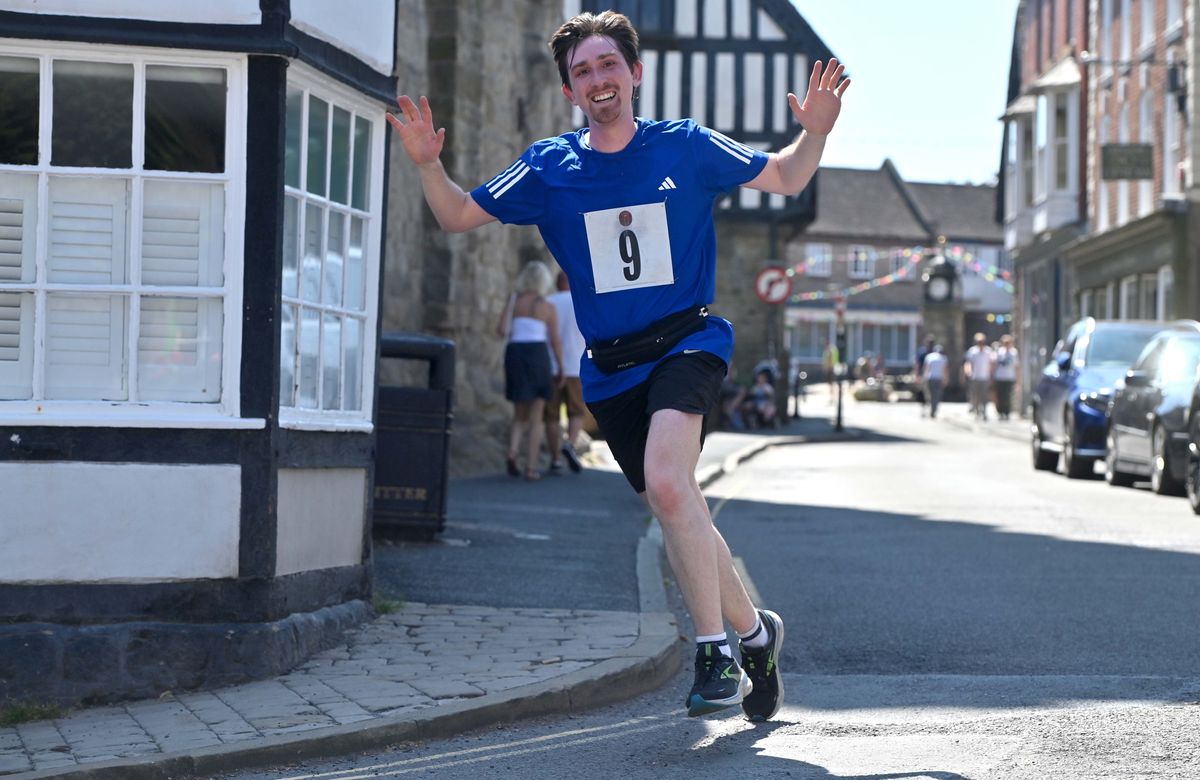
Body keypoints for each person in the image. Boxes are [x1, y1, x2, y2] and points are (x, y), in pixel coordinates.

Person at [388, 9, 848, 719]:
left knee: (670, 483)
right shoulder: (549, 168)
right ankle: (755, 633)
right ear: (571, 91)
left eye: (609, 65)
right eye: (583, 72)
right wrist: (426, 164)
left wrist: (815, 129)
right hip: (612, 369)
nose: (598, 80)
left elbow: (785, 176)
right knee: (677, 504)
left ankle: (712, 654)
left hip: (688, 342)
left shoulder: (685, 147)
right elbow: (456, 216)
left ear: (635, 73)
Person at [497, 261, 563, 481]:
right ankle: (531, 467)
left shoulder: (514, 301)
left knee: (519, 413)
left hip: (515, 353)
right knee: (536, 416)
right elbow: (554, 341)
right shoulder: (546, 306)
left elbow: (501, 330)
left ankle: (513, 450)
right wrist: (561, 367)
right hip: (537, 355)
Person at [544, 270, 587, 473]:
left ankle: (554, 459)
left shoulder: (548, 301)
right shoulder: (581, 301)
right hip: (576, 364)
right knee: (576, 411)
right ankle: (569, 444)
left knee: (551, 414)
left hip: (551, 365)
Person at [963, 332, 994, 421]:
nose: (980, 343)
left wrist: (991, 374)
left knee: (984, 396)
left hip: (985, 377)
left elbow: (991, 364)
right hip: (975, 376)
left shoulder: (988, 351)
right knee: (975, 395)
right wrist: (968, 372)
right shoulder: (972, 351)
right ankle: (977, 411)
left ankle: (984, 412)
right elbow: (968, 363)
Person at [992, 334, 1019, 420]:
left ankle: (1007, 412)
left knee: (1008, 396)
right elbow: (995, 364)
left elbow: (1017, 366)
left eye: (1008, 343)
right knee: (1000, 395)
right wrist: (992, 376)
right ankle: (1000, 412)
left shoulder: (1014, 353)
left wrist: (1018, 379)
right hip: (1000, 377)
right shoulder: (999, 352)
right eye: (1005, 343)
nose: (1007, 344)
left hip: (1010, 377)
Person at [923, 343, 948, 418]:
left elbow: (927, 368)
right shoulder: (943, 358)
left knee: (930, 394)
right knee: (937, 395)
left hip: (930, 378)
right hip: (939, 378)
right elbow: (945, 370)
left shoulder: (929, 357)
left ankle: (932, 407)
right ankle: (934, 409)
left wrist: (924, 377)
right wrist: (946, 379)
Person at [914, 335, 935, 415]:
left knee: (931, 392)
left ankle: (931, 406)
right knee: (924, 391)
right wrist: (917, 375)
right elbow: (918, 364)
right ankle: (924, 406)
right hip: (924, 374)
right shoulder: (922, 352)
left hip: (932, 375)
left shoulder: (934, 352)